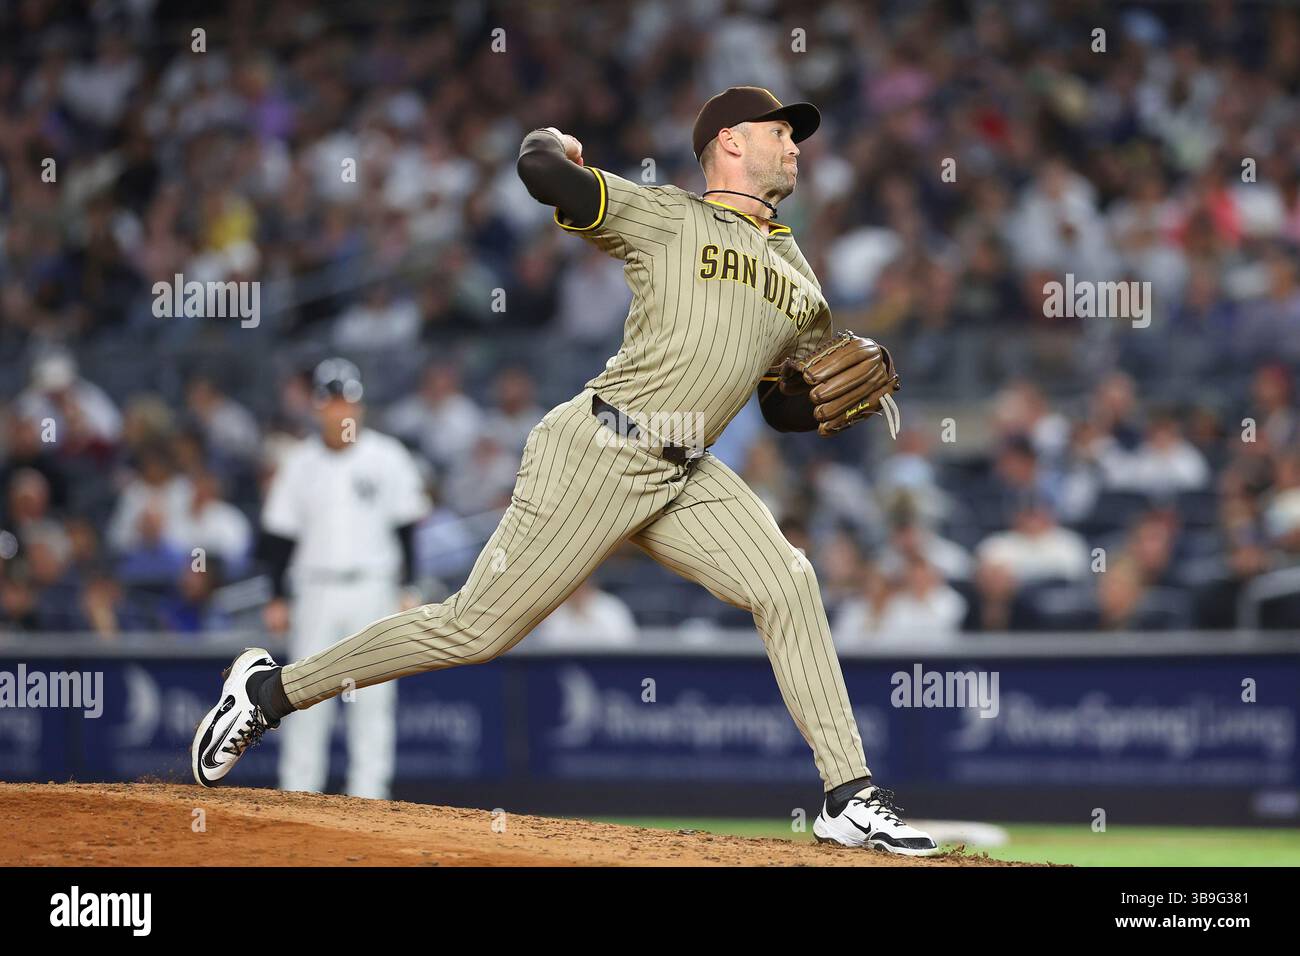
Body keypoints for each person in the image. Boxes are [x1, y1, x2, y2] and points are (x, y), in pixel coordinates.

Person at [193, 88, 936, 855]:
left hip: (687, 470)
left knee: (788, 581)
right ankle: (270, 692)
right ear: (730, 143)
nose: (796, 146)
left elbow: (784, 405)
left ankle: (848, 796)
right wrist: (548, 140)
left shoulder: (799, 273)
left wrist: (819, 401)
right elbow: (543, 172)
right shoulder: (668, 216)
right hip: (601, 448)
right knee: (472, 629)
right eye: (780, 132)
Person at [252, 358, 429, 799]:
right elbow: (278, 536)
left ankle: (369, 798)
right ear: (317, 409)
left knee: (373, 699)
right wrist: (276, 595)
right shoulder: (298, 462)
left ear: (360, 406)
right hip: (315, 588)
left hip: (374, 586)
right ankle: (297, 793)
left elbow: (407, 528)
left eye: (347, 402)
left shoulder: (386, 456)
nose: (340, 412)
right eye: (331, 403)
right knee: (302, 694)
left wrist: (410, 586)